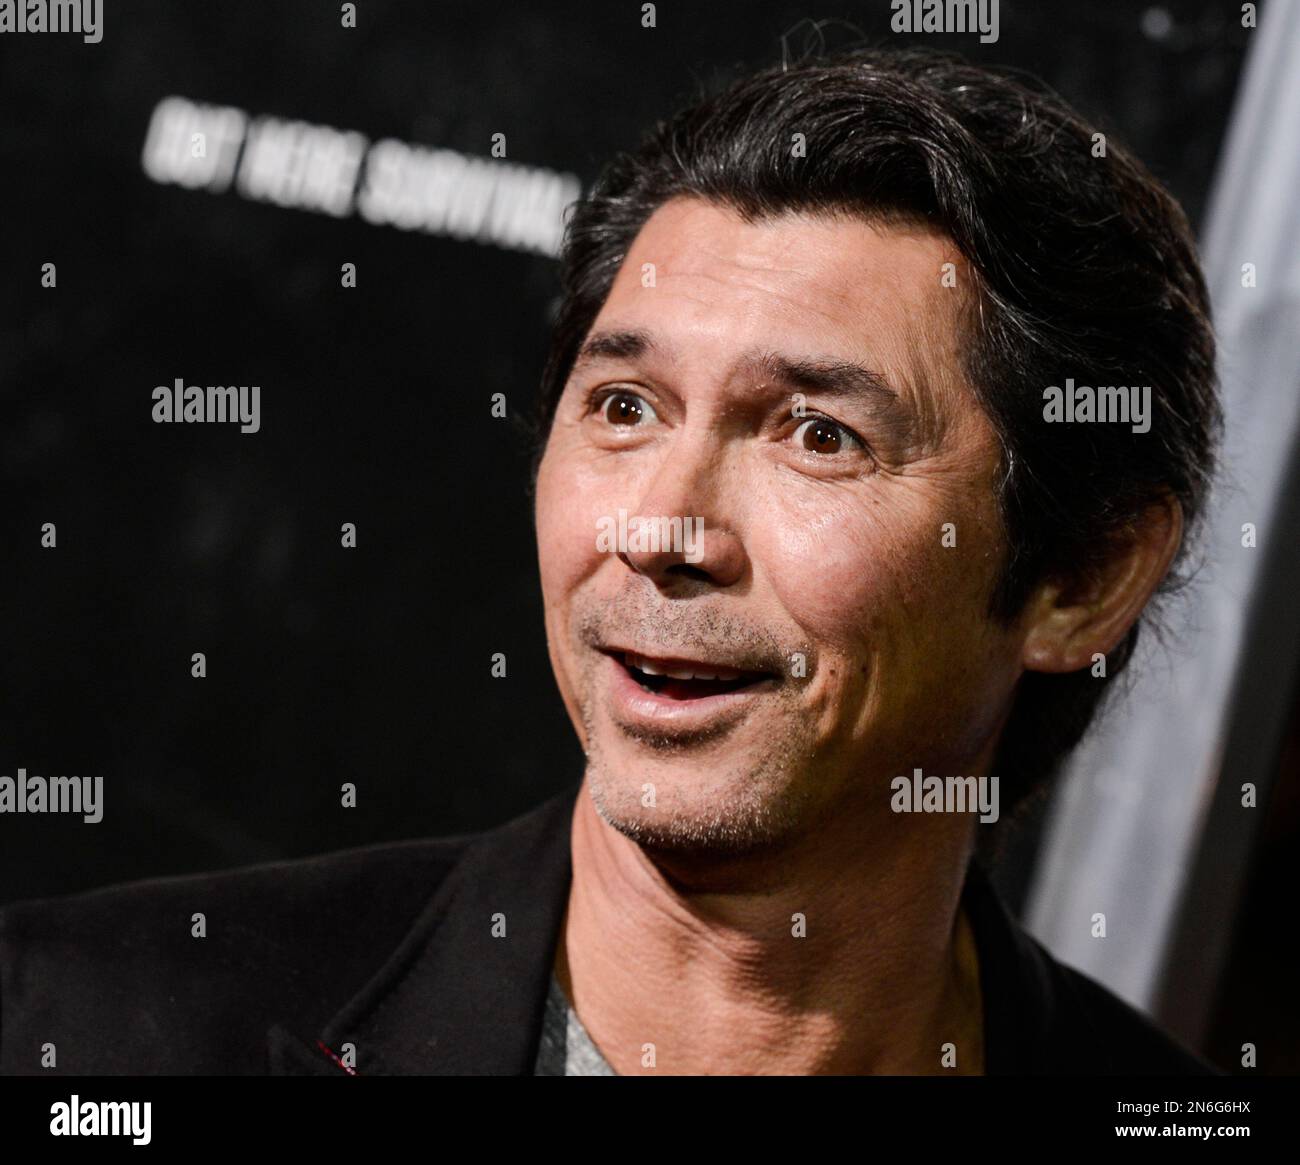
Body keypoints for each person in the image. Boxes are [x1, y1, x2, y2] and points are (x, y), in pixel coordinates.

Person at [0, 45, 1222, 1076]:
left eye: (816, 435)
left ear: (1083, 579)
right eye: (626, 408)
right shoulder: (89, 1032)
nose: (660, 529)